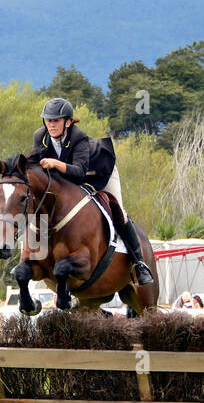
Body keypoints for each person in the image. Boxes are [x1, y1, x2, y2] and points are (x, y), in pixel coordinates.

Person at [31, 97, 155, 286]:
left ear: (68, 122)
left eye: (56, 120)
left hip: (100, 172)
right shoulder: (40, 136)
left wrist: (55, 163)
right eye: (48, 120)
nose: (51, 124)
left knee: (118, 211)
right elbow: (34, 162)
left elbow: (80, 172)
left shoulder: (78, 137)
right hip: (69, 179)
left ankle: (139, 263)